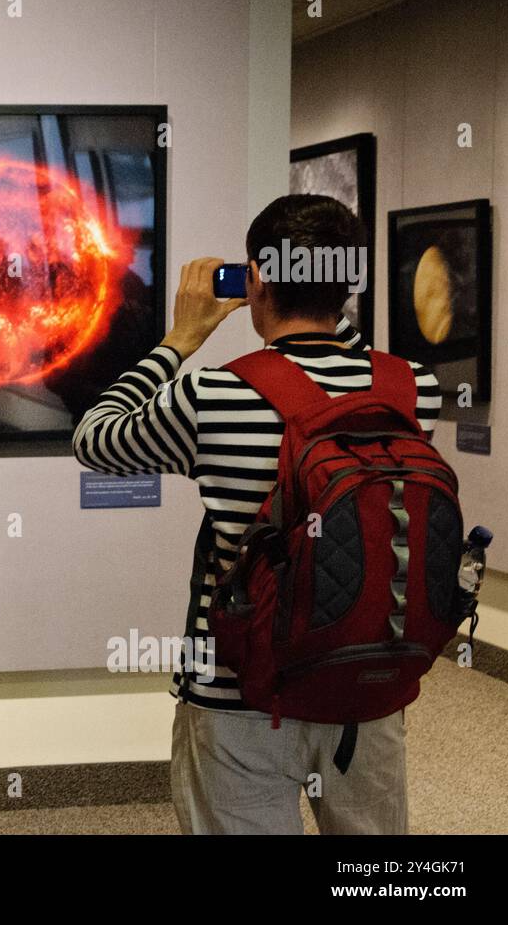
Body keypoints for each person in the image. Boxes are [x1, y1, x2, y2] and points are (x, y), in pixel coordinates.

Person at [73, 195, 442, 834]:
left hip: (236, 694)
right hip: (368, 686)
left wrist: (180, 338)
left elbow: (95, 437)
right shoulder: (414, 389)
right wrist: (325, 310)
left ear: (257, 279)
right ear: (348, 280)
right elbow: (357, 364)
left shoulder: (211, 394)